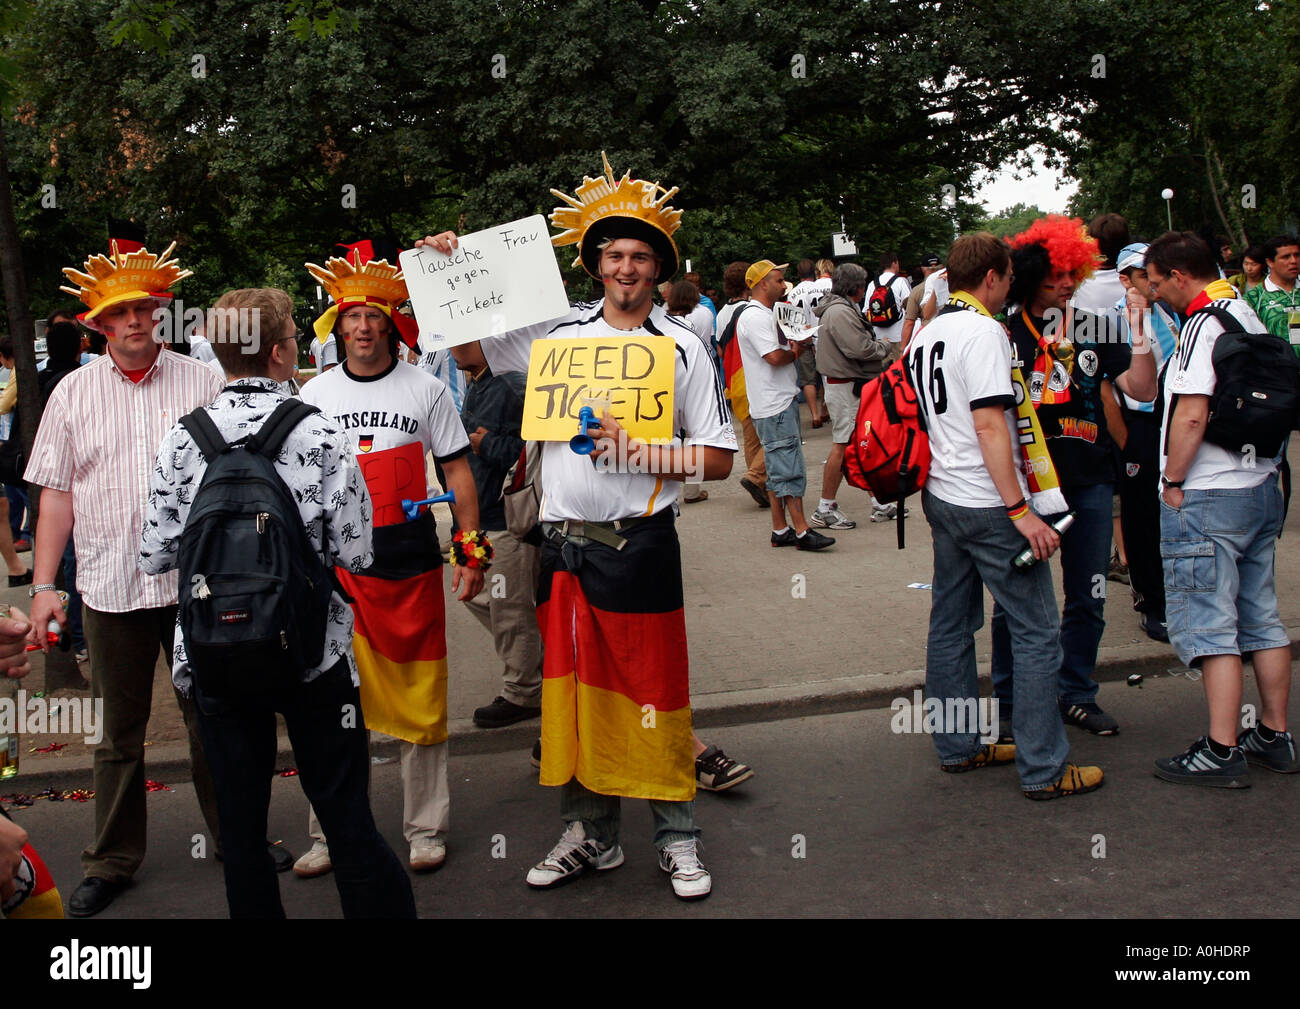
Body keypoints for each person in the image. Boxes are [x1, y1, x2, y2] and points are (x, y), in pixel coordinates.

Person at [425, 154, 737, 900]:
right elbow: (470, 349)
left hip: (642, 542)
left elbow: (721, 458)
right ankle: (590, 834)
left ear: (658, 267)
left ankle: (678, 836)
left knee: (655, 691)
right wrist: (451, 266)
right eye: (613, 255)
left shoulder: (683, 346)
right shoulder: (555, 335)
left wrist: (644, 449)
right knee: (573, 697)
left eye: (639, 257)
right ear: (595, 264)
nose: (626, 268)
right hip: (563, 548)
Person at [139, 288, 416, 917]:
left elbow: (156, 553)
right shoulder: (319, 430)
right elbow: (358, 553)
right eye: (293, 333)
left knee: (240, 830)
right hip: (312, 652)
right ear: (280, 352)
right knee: (346, 814)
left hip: (215, 658)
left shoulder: (184, 439)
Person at [23, 241, 254, 918]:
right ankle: (112, 860)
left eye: (143, 309)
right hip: (109, 586)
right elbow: (56, 497)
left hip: (197, 585)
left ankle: (234, 836)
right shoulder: (71, 392)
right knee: (115, 733)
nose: (133, 322)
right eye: (118, 312)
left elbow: (238, 474)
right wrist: (43, 586)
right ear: (98, 322)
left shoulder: (201, 381)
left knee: (214, 716)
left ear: (160, 312)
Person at [296, 247, 483, 877]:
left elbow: (456, 468)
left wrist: (470, 545)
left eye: (376, 315)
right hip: (337, 576)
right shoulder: (314, 395)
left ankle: (425, 827)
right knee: (331, 705)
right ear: (338, 324)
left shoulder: (426, 389)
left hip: (409, 568)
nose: (364, 327)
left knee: (421, 700)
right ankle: (329, 833)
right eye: (353, 316)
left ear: (391, 322)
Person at [910, 231, 1103, 800]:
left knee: (950, 623)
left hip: (942, 495)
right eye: (1008, 281)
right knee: (1038, 630)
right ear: (993, 277)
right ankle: (1044, 769)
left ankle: (958, 745)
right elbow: (992, 424)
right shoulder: (985, 333)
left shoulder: (930, 331)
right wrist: (1021, 511)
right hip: (989, 503)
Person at [991, 216, 1155, 739]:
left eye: (1072, 274)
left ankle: (1076, 693)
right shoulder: (1002, 330)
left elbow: (1142, 390)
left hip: (1088, 477)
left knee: (1088, 593)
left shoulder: (1094, 325)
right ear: (1032, 273)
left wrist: (1141, 332)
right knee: (1014, 598)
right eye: (1055, 274)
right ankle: (1012, 700)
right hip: (1026, 487)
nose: (1065, 284)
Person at [1145, 232, 1298, 784]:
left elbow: (1189, 415)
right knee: (1261, 617)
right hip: (1260, 486)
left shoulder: (1200, 325)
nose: (1157, 292)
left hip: (1208, 494)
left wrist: (1170, 480)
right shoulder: (1248, 314)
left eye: (1158, 282)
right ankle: (1275, 735)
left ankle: (1220, 748)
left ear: (1180, 276)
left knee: (1211, 625)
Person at [445, 339, 544, 730]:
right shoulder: (480, 383)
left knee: (509, 607)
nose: (455, 347)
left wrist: (487, 443)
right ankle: (537, 661)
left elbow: (533, 449)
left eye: (465, 340)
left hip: (502, 518)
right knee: (481, 597)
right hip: (476, 518)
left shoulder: (511, 385)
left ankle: (524, 691)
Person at [736, 259, 835, 551]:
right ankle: (802, 530)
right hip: (774, 402)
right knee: (789, 466)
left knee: (777, 466)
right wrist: (795, 350)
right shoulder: (755, 316)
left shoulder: (760, 313)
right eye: (778, 280)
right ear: (762, 284)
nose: (783, 285)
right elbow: (774, 358)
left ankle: (780, 528)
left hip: (773, 401)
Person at [1112, 242, 1180, 643]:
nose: (1153, 282)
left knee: (1172, 510)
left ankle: (1179, 595)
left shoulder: (1169, 311)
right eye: (1143, 275)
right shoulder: (1108, 322)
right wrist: (1125, 442)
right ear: (1125, 279)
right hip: (1137, 425)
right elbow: (1108, 387)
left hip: (1171, 423)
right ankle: (1151, 603)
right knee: (1140, 518)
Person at [810, 262, 890, 530]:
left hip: (847, 384)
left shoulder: (839, 310)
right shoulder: (840, 312)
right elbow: (860, 348)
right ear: (855, 287)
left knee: (856, 445)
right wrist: (883, 348)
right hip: (845, 386)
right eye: (863, 284)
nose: (865, 289)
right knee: (842, 448)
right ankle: (825, 507)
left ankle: (877, 502)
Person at [716, 261, 768, 508]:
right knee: (770, 436)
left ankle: (759, 484)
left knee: (750, 438)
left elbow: (719, 347)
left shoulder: (721, 312)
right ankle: (756, 478)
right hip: (752, 378)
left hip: (733, 381)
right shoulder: (751, 309)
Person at [1244, 234, 1300, 348]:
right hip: (1277, 364)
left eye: (1297, 255)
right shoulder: (1254, 298)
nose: (1293, 261)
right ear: (1270, 262)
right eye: (1286, 257)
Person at [869, 251, 911, 362]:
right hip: (898, 335)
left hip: (879, 338)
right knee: (899, 372)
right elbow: (909, 306)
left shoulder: (872, 284)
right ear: (894, 263)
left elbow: (866, 311)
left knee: (882, 374)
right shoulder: (900, 281)